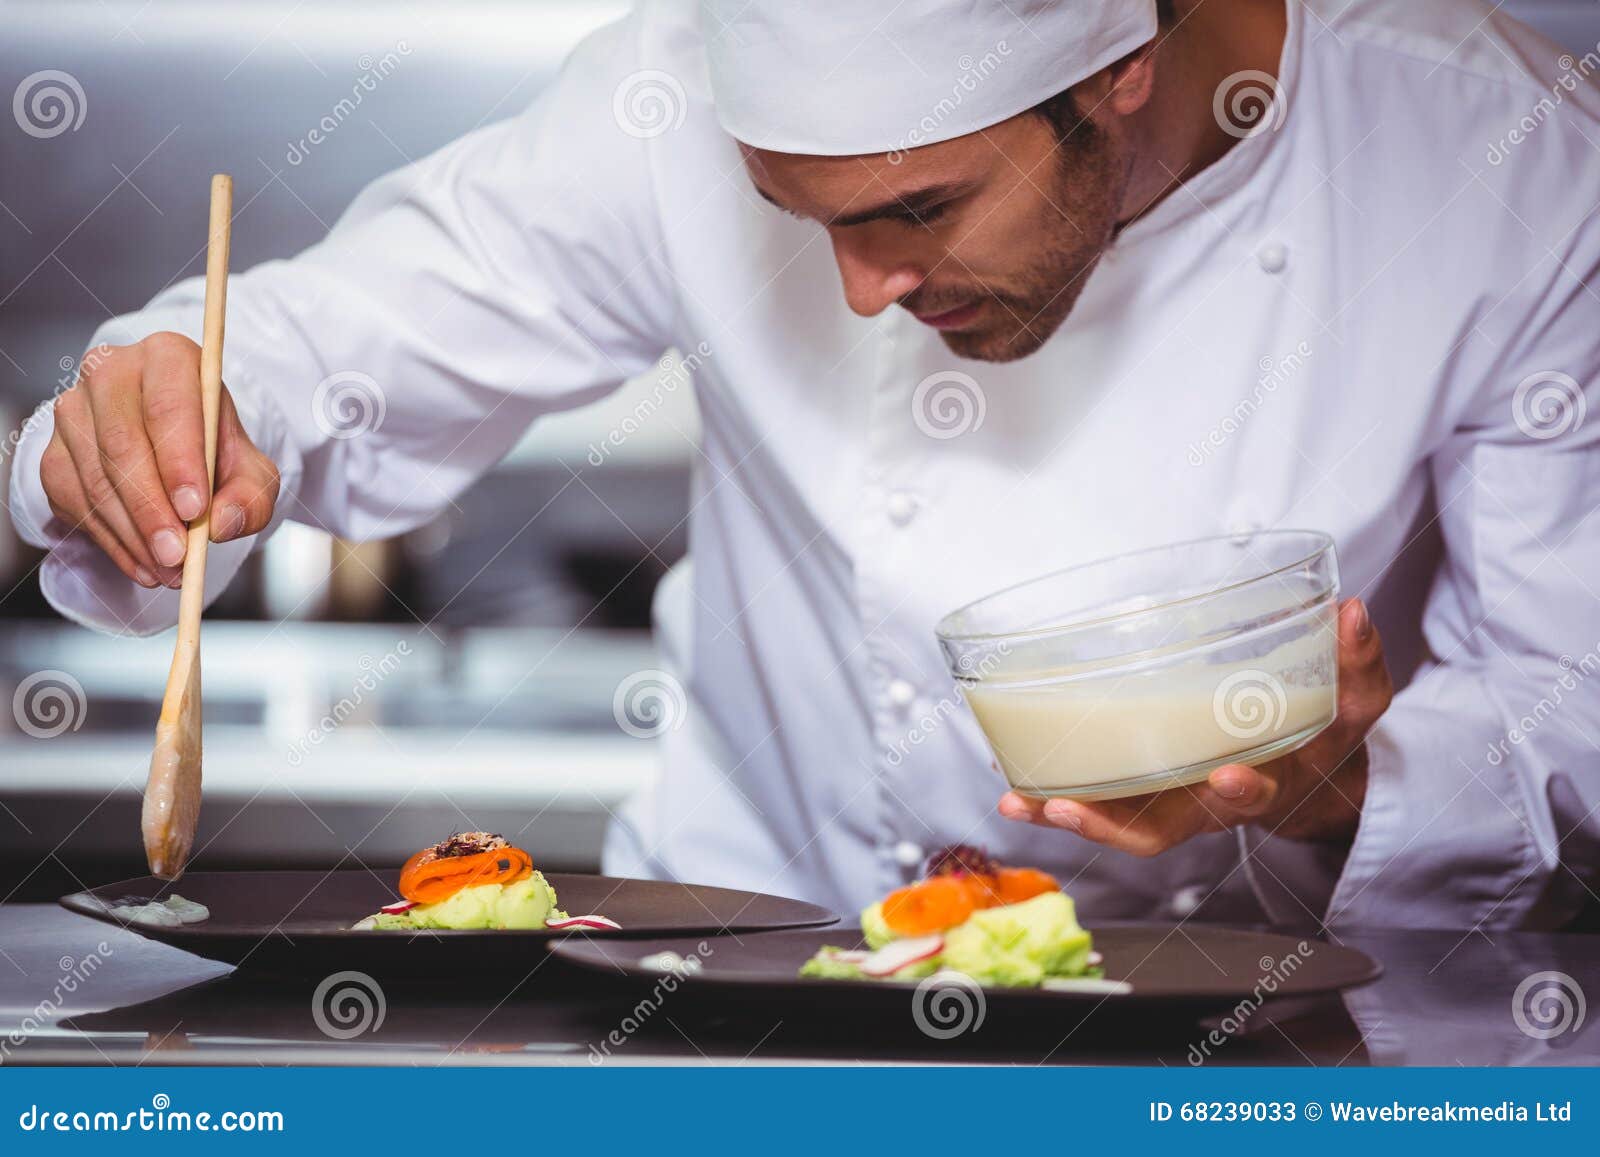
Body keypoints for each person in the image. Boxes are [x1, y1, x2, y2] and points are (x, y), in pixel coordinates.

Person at [11, 0, 1600, 929]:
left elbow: (1574, 713)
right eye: (799, 216)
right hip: (732, 1003)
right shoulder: (658, 103)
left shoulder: (1502, 161)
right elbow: (329, 340)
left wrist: (1345, 788)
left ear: (1122, 66)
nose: (860, 294)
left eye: (916, 211)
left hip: (1241, 1054)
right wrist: (175, 407)